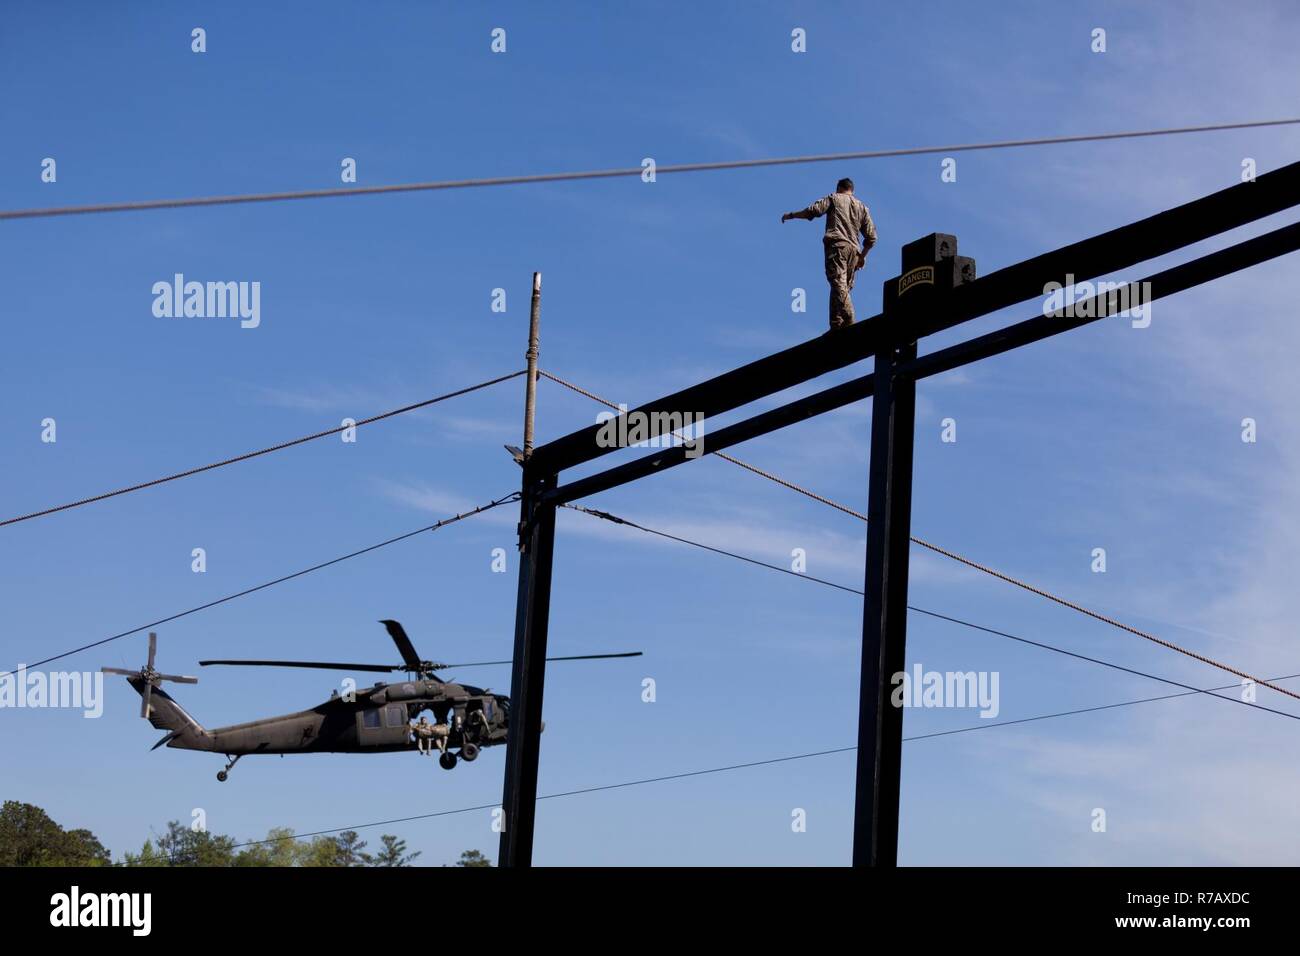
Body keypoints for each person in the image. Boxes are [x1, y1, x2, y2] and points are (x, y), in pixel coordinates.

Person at [782, 177, 877, 330]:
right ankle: (836, 326)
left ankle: (850, 320)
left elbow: (812, 211)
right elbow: (872, 237)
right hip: (854, 251)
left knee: (838, 284)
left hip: (837, 246)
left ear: (839, 188)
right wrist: (862, 256)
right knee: (839, 287)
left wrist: (792, 215)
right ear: (852, 190)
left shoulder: (834, 198)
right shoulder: (863, 208)